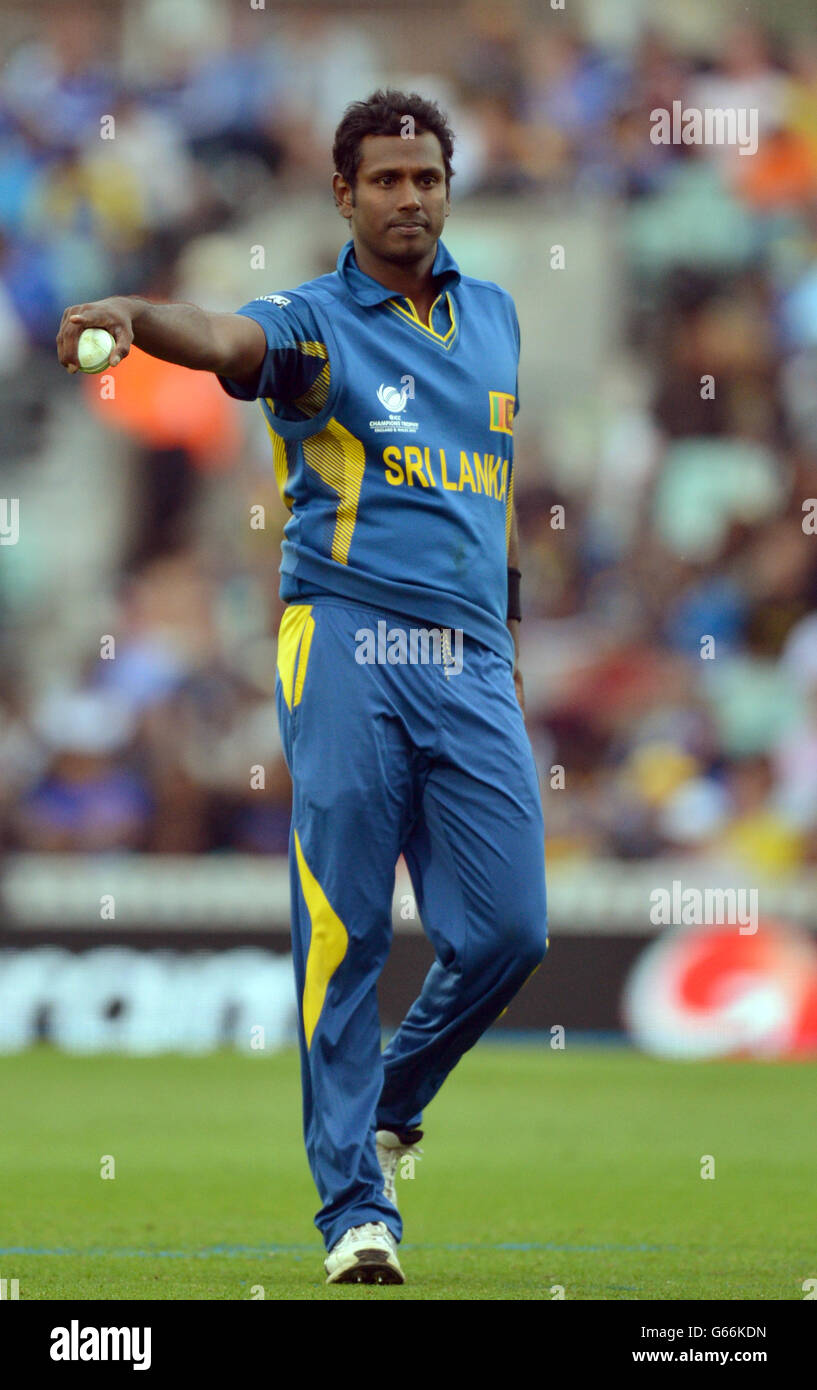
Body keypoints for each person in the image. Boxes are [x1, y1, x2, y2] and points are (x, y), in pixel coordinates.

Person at [57, 89, 549, 1287]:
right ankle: (353, 1213)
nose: (409, 197)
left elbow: (484, 503)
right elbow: (227, 342)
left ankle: (384, 1104)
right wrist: (132, 316)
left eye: (425, 177)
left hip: (472, 658)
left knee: (510, 930)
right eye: (384, 179)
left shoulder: (493, 318)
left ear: (448, 185)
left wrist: (507, 623)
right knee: (347, 928)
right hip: (344, 642)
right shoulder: (312, 323)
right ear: (344, 194)